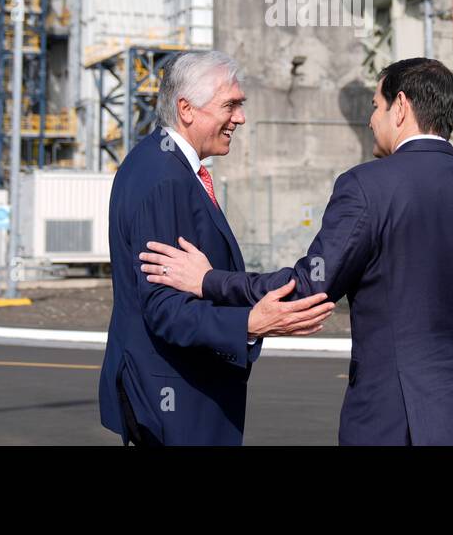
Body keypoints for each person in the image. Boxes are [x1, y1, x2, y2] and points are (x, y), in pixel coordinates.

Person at [141, 57, 453, 445]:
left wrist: (208, 281)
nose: (371, 120)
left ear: (402, 107)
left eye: (376, 107)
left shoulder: (368, 187)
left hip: (401, 421)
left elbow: (309, 286)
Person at [98, 50, 334, 445]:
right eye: (231, 105)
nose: (239, 117)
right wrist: (249, 324)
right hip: (174, 400)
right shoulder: (164, 179)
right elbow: (164, 307)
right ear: (186, 109)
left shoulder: (158, 162)